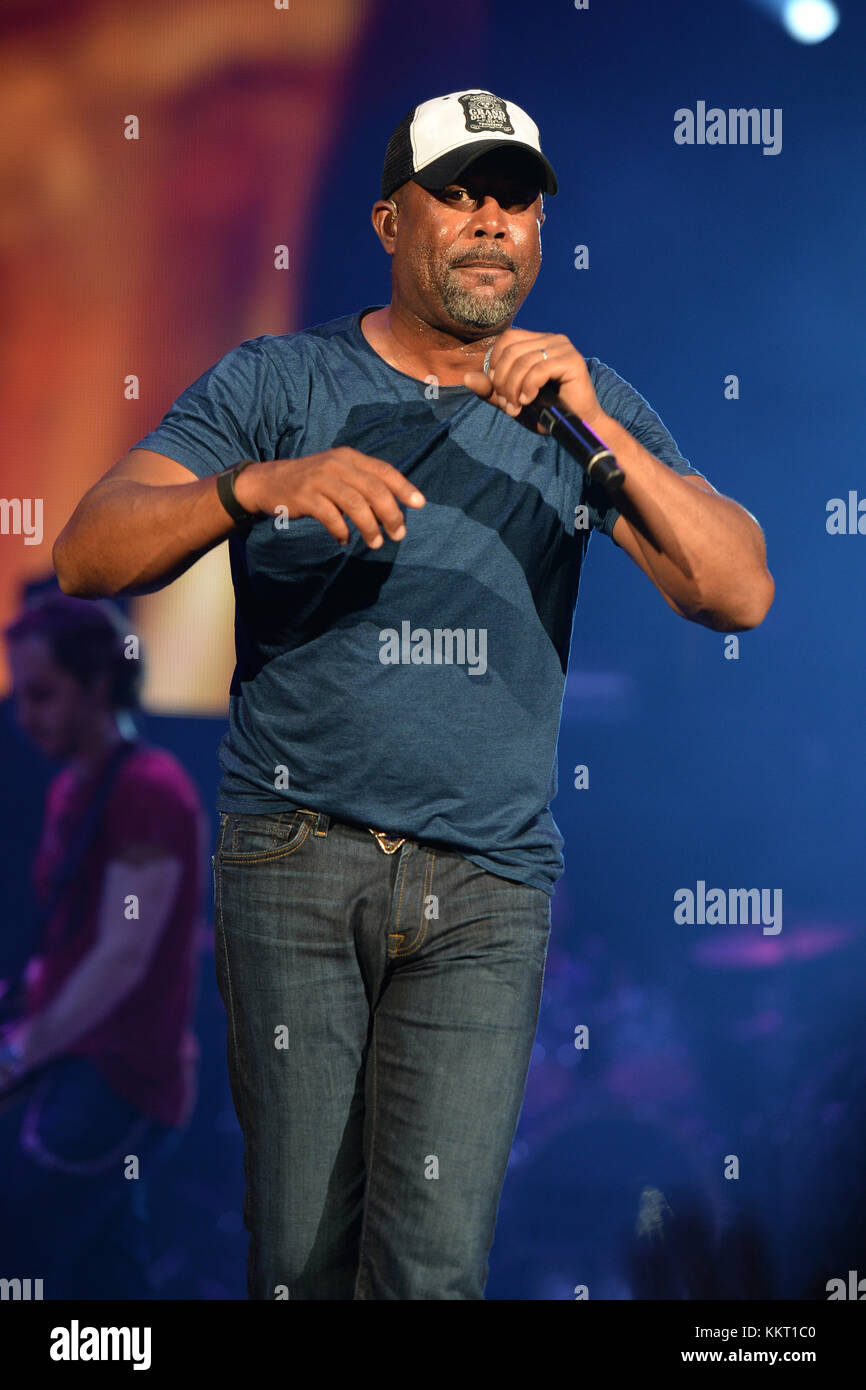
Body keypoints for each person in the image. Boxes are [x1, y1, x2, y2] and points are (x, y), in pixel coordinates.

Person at [51, 89, 774, 1300]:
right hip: (295, 861)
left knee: (432, 1272)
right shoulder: (278, 379)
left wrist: (596, 424)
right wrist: (254, 486)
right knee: (297, 1256)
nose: (493, 222)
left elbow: (736, 588)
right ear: (391, 219)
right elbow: (87, 552)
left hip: (486, 887)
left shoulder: (573, 402)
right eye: (462, 193)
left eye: (517, 200)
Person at [0, 594, 206, 1298]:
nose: (26, 715)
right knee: (103, 1277)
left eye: (44, 695)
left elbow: (122, 955)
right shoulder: (74, 791)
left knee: (26, 1255)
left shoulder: (149, 789)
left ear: (97, 682)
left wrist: (19, 1053)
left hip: (114, 1078)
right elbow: (69, 940)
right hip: (77, 1064)